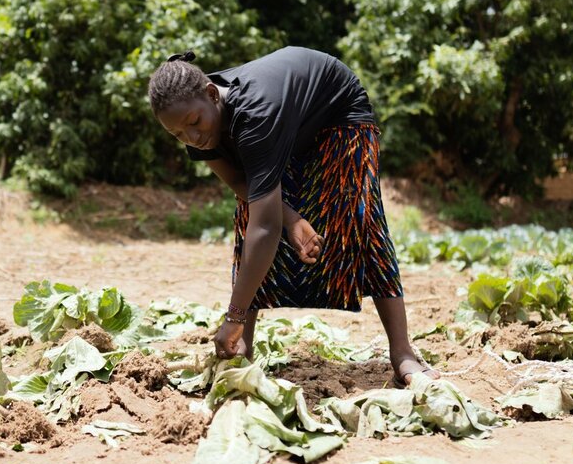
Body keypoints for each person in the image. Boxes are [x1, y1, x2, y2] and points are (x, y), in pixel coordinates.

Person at [147, 46, 440, 388]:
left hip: (338, 115)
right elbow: (243, 185)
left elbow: (265, 227)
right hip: (288, 125)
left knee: (362, 218)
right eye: (178, 134)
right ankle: (242, 345)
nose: (191, 138)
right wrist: (292, 218)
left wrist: (232, 315)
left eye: (194, 125)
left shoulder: (255, 113)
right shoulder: (196, 119)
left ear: (212, 94)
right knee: (248, 217)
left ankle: (402, 352)